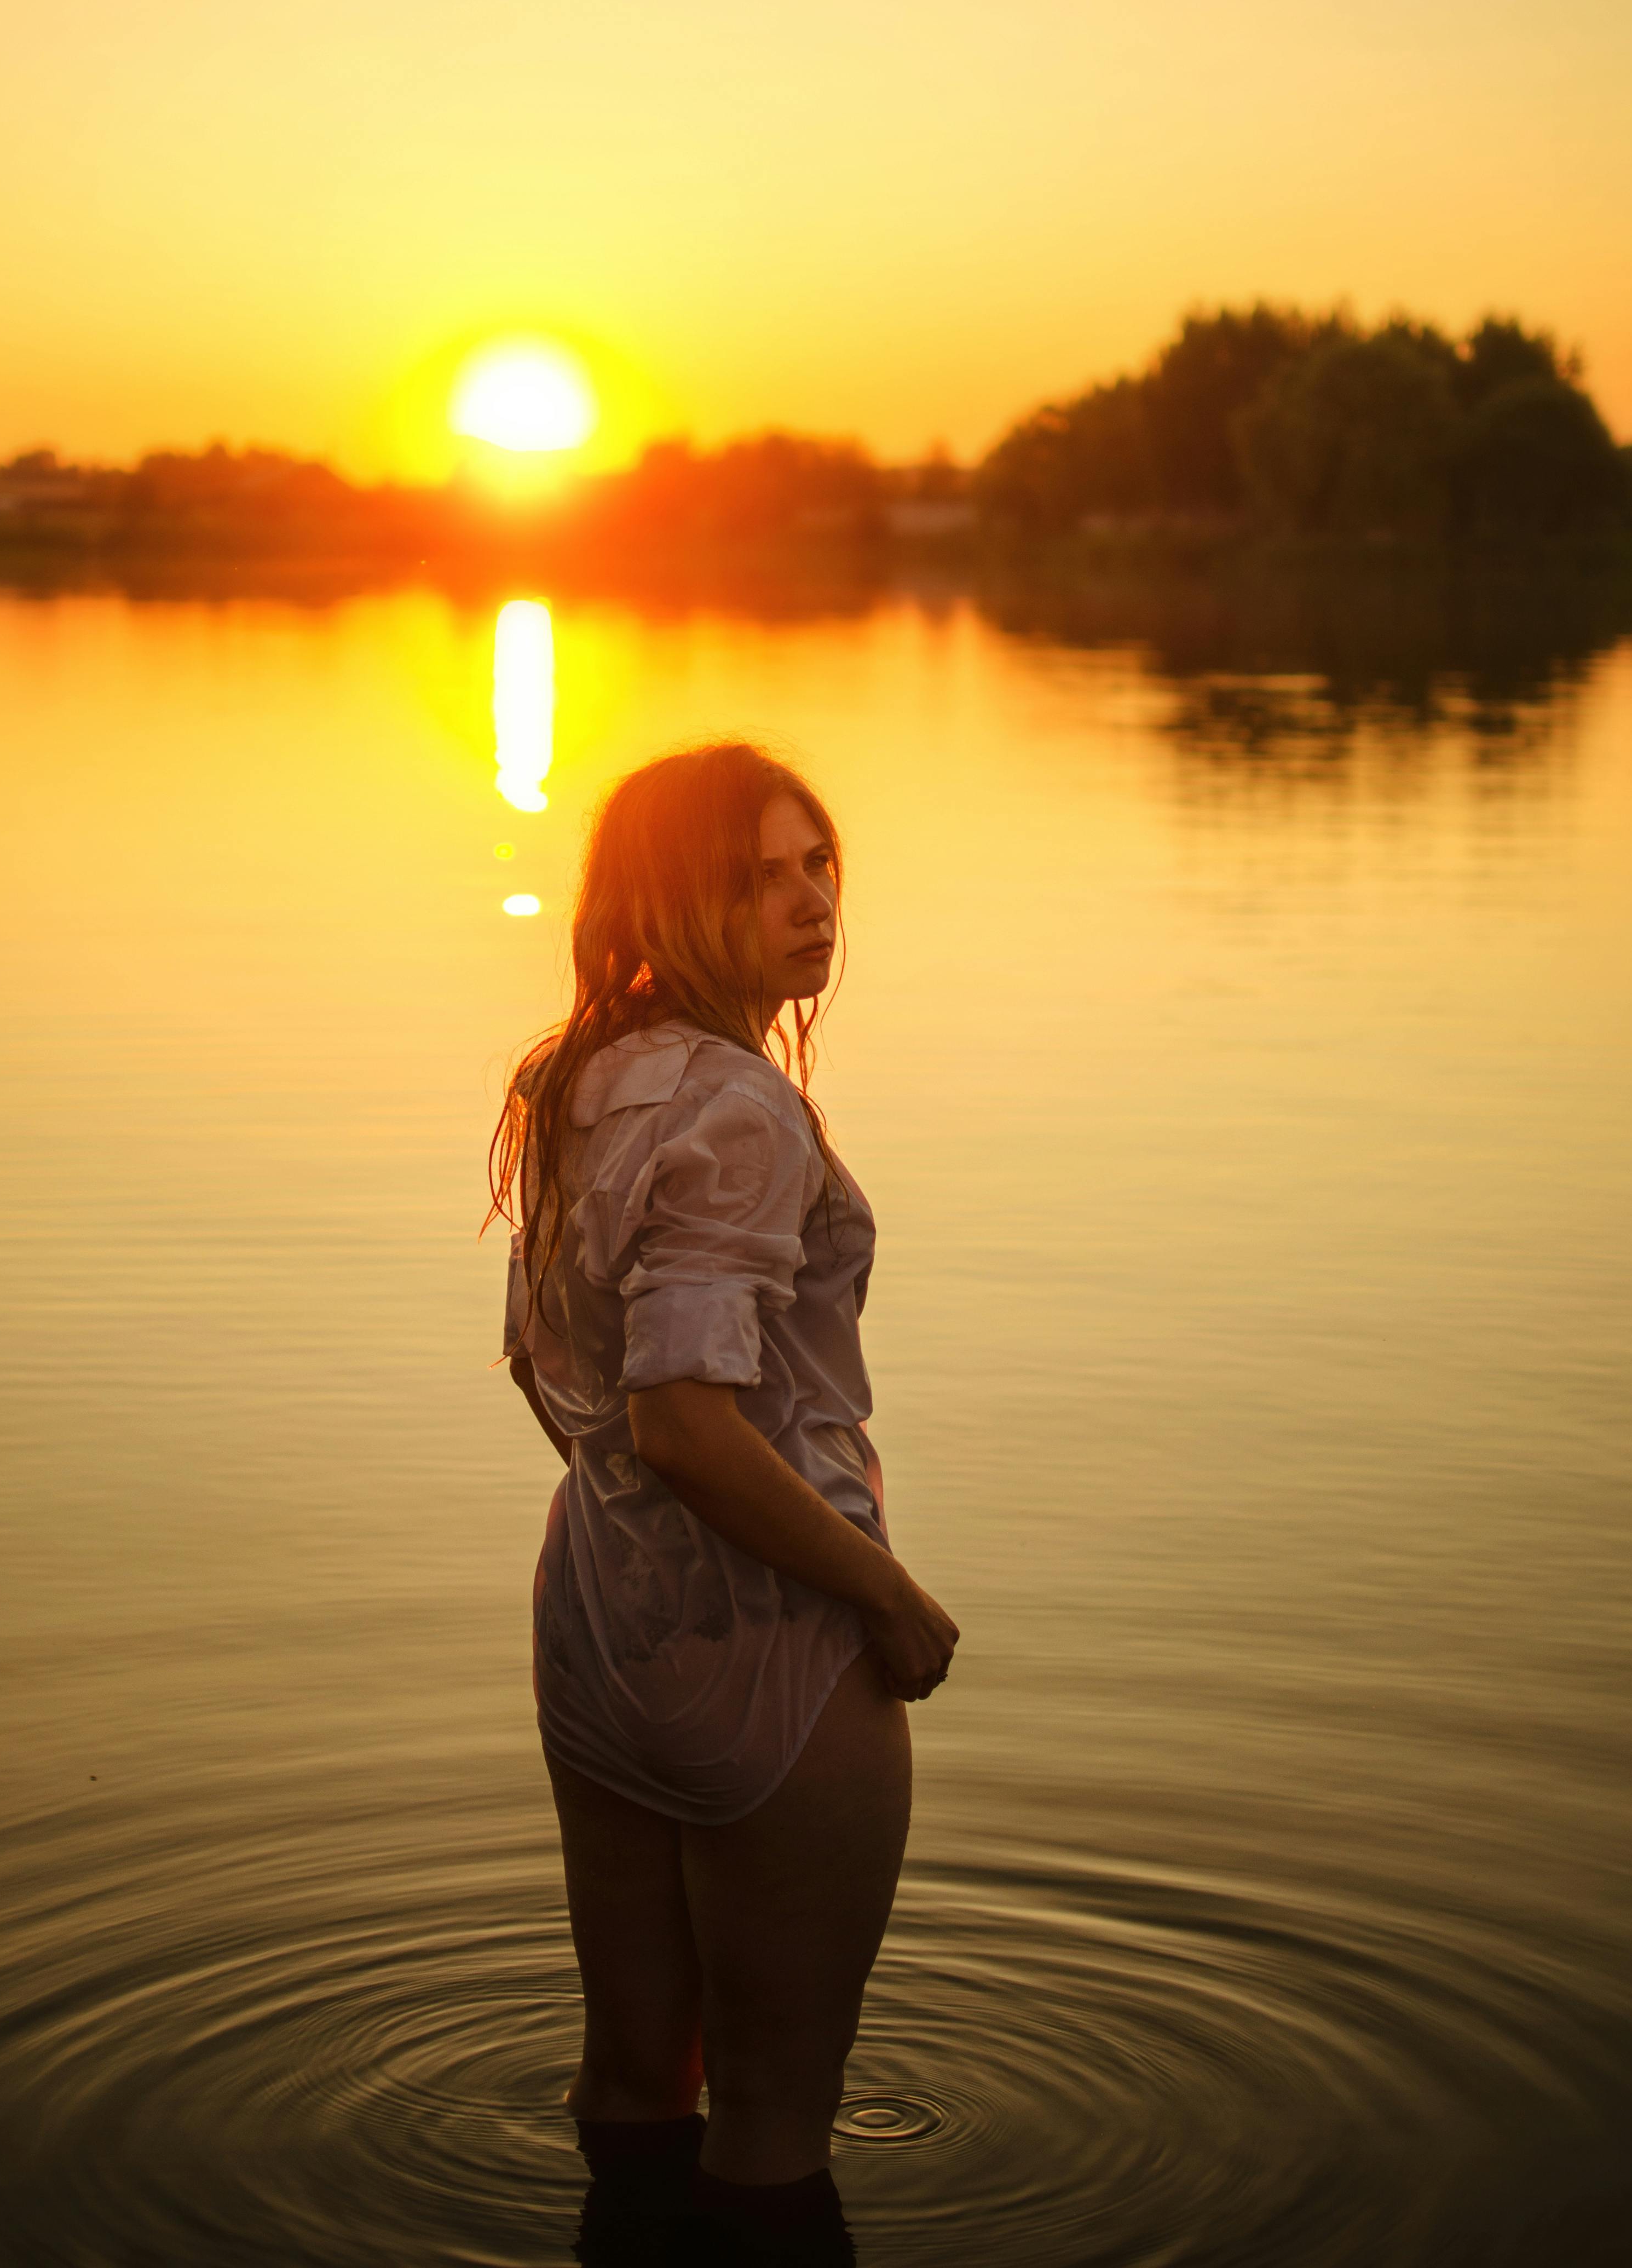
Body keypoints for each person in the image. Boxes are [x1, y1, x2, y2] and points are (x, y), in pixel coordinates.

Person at [489, 741, 959, 2261]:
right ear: (678, 899)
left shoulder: (576, 1079)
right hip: (777, 1657)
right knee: (769, 2124)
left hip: (603, 1631)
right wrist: (885, 1595)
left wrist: (629, 1517)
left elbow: (540, 1367)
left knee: (634, 2080)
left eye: (819, 863)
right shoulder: (745, 1109)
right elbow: (684, 1420)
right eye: (762, 875)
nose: (813, 901)